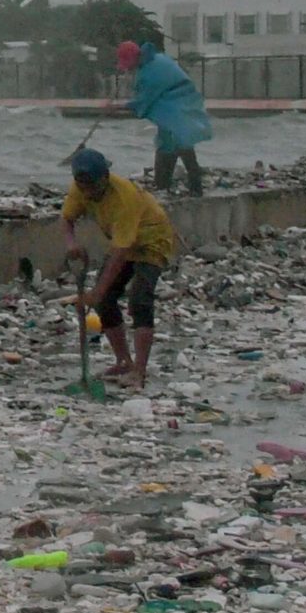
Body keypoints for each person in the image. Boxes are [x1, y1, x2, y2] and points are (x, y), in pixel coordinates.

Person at [61, 147, 177, 387]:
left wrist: (96, 293)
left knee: (139, 301)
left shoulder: (125, 197)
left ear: (104, 177)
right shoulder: (79, 188)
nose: (88, 192)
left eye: (92, 185)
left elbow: (121, 252)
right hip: (122, 242)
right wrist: (71, 243)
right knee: (105, 302)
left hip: (151, 241)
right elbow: (67, 217)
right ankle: (123, 360)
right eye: (82, 185)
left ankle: (139, 371)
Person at [117, 38, 213, 195]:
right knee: (176, 143)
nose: (127, 68)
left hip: (175, 106)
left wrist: (122, 106)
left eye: (127, 64)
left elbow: (144, 101)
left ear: (133, 58)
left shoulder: (148, 73)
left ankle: (168, 186)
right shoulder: (158, 58)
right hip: (186, 100)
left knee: (178, 143)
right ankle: (177, 186)